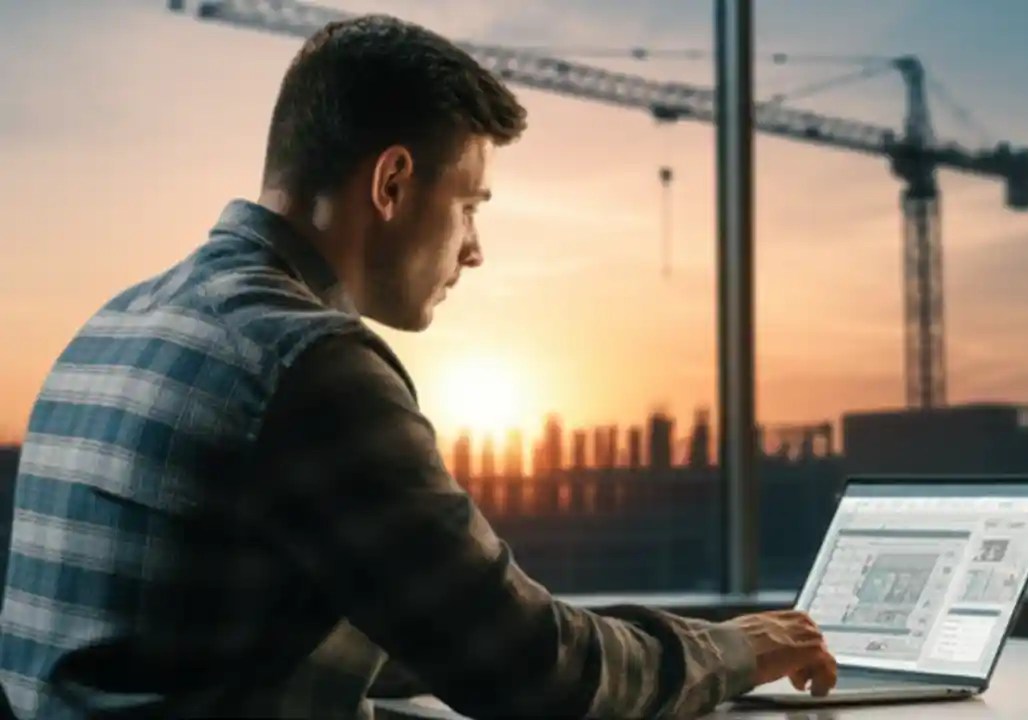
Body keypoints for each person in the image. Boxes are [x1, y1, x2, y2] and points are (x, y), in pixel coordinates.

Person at [0, 13, 836, 720]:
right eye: (470, 206)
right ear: (393, 182)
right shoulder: (309, 363)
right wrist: (727, 651)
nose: (475, 250)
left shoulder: (114, 324)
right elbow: (528, 670)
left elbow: (394, 627)